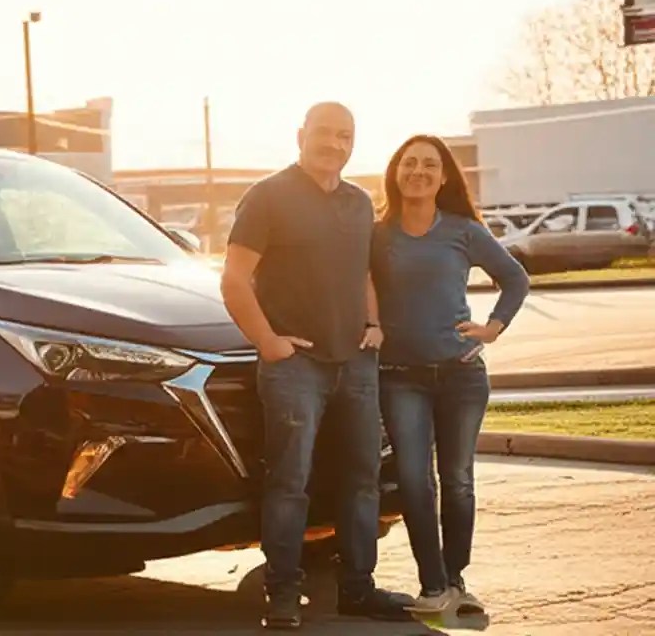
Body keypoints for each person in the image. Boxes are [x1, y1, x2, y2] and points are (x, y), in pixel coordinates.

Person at [221, 101, 410, 629]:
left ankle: (358, 588)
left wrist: (373, 325)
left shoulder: (356, 202)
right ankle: (282, 595)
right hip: (294, 368)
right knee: (289, 481)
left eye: (345, 135)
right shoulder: (268, 197)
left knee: (361, 479)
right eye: (325, 133)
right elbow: (234, 279)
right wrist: (267, 342)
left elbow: (363, 276)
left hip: (355, 364)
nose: (335, 143)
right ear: (301, 134)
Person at [370, 134, 530, 615]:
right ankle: (433, 586)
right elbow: (356, 285)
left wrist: (491, 329)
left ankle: (456, 581)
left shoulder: (462, 230)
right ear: (396, 172)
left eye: (429, 165)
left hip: (462, 375)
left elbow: (515, 277)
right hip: (400, 377)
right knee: (416, 482)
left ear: (444, 177)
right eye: (409, 163)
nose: (418, 171)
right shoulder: (377, 234)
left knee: (457, 479)